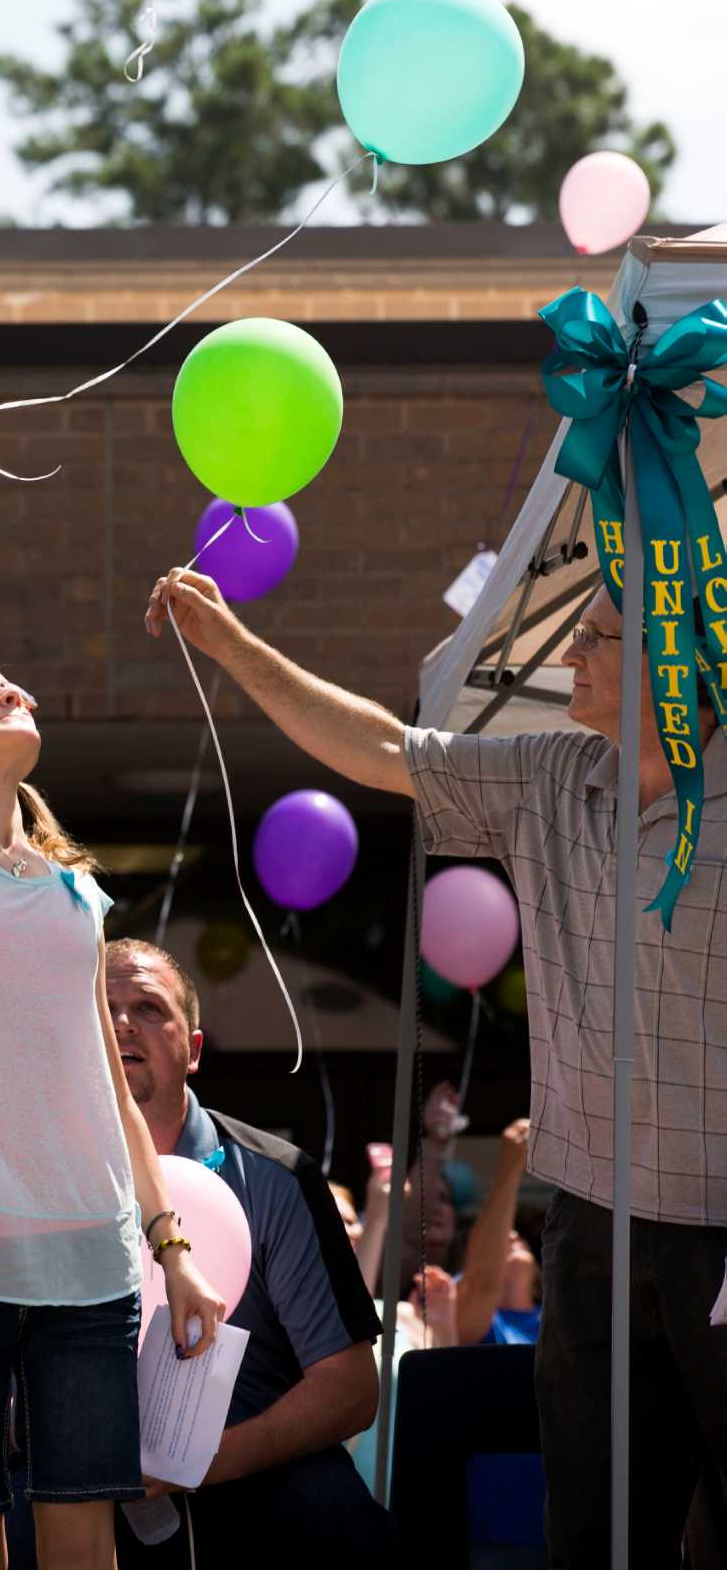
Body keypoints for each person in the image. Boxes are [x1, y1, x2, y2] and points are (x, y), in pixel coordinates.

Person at [146, 562, 727, 1568]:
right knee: (592, 1531)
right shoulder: (548, 772)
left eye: (595, 636)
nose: (568, 653)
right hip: (593, 1224)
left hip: (722, 1227)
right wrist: (232, 642)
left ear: (667, 659)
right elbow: (381, 745)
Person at [0, 339, 223, 1570]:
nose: (2, 680)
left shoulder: (73, 886)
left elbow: (105, 1080)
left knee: (83, 1548)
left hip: (89, 1260)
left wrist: (170, 1248)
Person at [103, 938, 403, 1564]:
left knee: (330, 1510)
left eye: (150, 1007)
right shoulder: (37, 1185)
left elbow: (351, 1389)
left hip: (258, 1479)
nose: (123, 1022)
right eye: (101, 1010)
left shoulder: (277, 1177)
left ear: (194, 1050)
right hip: (88, 1491)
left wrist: (205, 1465)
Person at [449, 1120, 541, 1349]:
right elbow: (481, 1283)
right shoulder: (468, 1307)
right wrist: (510, 1166)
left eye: (519, 1236)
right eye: (499, 1240)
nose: (510, 1236)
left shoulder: (559, 1321)